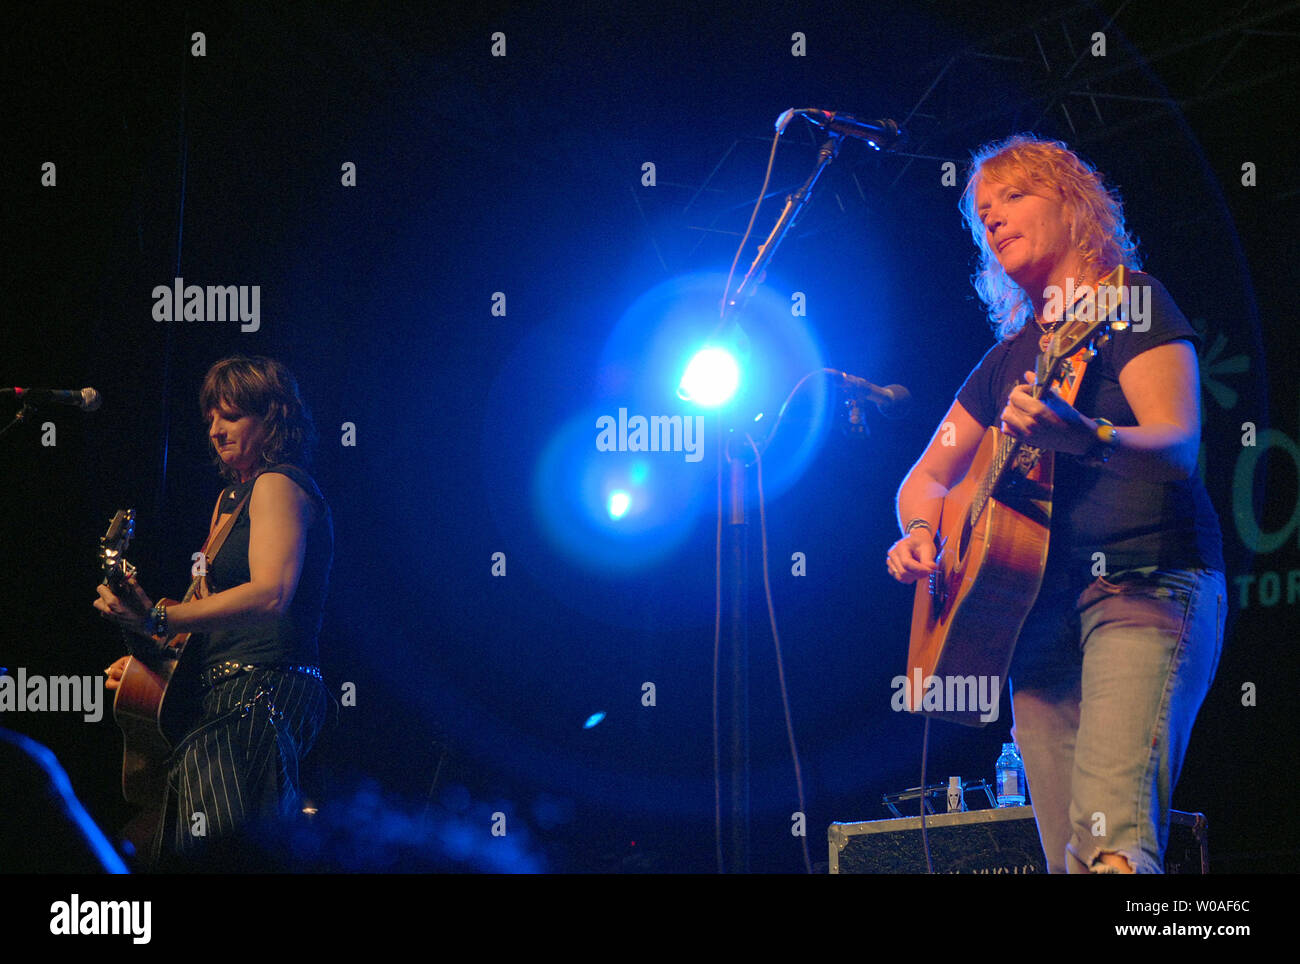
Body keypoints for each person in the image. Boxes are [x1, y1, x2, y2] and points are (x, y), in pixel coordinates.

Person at [886, 135, 1225, 873]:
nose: (993, 219)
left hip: (1143, 583)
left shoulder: (1129, 300)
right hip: (1032, 621)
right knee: (1072, 860)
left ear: (1074, 208)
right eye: (983, 212)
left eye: (1014, 197)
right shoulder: (1002, 362)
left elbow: (1177, 444)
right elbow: (926, 479)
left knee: (1112, 845)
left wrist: (1086, 433)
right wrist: (919, 530)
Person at [95, 355, 333, 868]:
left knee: (227, 854)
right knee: (206, 850)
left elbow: (271, 594)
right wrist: (143, 647)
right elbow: (199, 616)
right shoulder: (230, 499)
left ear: (272, 419)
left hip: (260, 683)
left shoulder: (278, 482)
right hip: (222, 688)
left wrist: (160, 620)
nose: (215, 431)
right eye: (210, 419)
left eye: (231, 416)